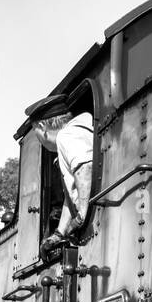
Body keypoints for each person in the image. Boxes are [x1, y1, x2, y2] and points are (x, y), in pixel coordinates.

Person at [35, 110, 94, 258]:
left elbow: (85, 169)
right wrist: (58, 234)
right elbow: (73, 196)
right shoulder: (77, 132)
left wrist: (81, 216)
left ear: (42, 127)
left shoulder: (66, 135)